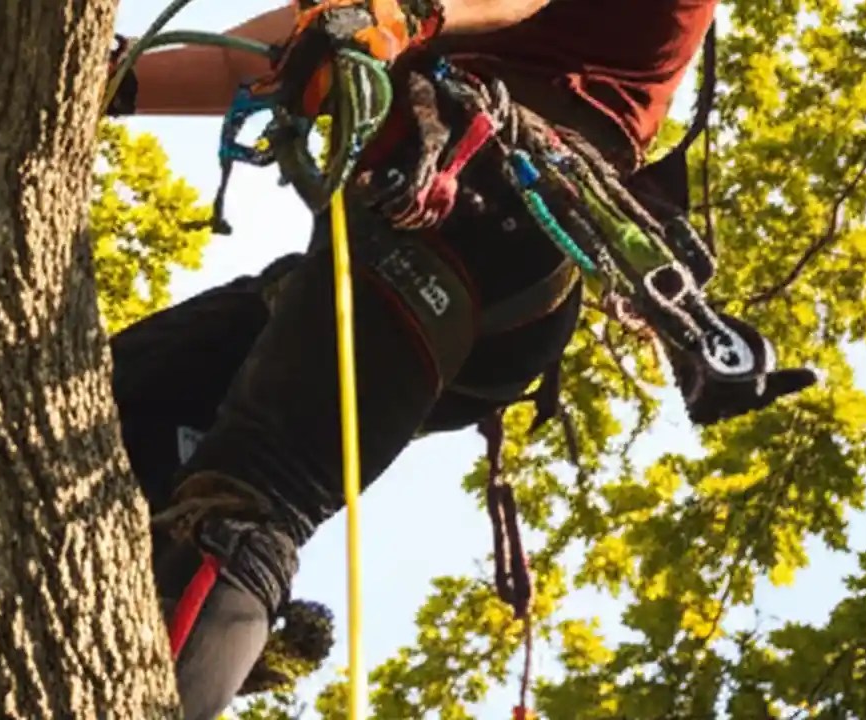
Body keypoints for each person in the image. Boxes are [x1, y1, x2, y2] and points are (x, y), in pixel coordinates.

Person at [105, 1, 816, 717]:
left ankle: (194, 629)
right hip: (450, 258)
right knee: (124, 396)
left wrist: (406, 12)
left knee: (254, 501)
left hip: (477, 218)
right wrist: (119, 78)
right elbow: (287, 46)